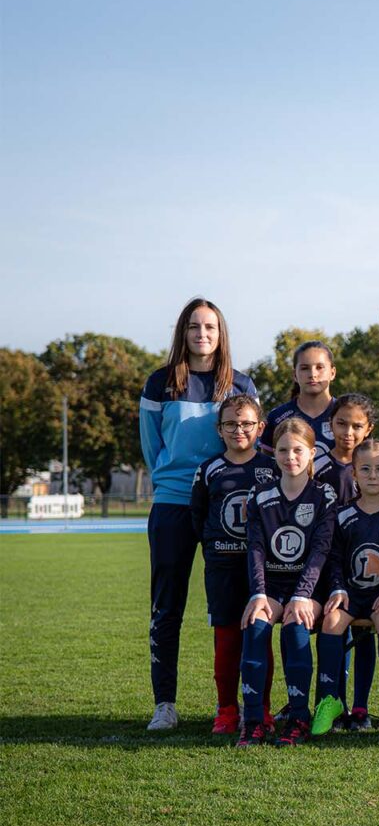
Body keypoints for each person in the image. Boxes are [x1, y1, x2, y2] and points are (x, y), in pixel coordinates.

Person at [139, 297, 258, 731]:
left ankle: (232, 704)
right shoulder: (160, 383)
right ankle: (164, 704)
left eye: (209, 326)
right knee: (167, 606)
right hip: (172, 503)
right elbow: (152, 448)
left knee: (231, 607)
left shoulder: (240, 383)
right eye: (193, 326)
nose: (202, 334)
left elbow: (250, 441)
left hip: (227, 506)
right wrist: (175, 481)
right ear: (182, 332)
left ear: (221, 332)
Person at [235, 419, 337, 747]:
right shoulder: (260, 493)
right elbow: (256, 547)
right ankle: (254, 721)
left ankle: (298, 718)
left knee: (295, 626)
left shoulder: (324, 494)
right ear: (273, 452)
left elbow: (321, 549)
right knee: (255, 624)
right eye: (283, 449)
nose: (290, 456)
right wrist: (259, 593)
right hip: (273, 586)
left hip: (310, 588)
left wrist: (303, 595)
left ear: (311, 453)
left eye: (297, 450)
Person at [188, 394, 276, 734]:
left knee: (259, 637)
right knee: (226, 639)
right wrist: (215, 547)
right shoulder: (210, 469)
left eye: (246, 424)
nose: (239, 430)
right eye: (231, 424)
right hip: (223, 567)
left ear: (260, 428)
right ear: (219, 429)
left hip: (262, 570)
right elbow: (198, 516)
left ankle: (262, 708)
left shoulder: (271, 467)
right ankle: (226, 709)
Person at [312, 439, 379, 737]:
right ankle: (330, 699)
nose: (373, 475)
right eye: (365, 469)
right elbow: (334, 560)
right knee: (332, 620)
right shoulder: (342, 515)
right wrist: (338, 589)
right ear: (354, 474)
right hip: (351, 594)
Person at [260, 340, 338, 456]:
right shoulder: (277, 417)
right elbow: (267, 465)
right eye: (304, 368)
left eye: (319, 367)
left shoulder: (346, 414)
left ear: (332, 373)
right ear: (295, 375)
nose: (312, 374)